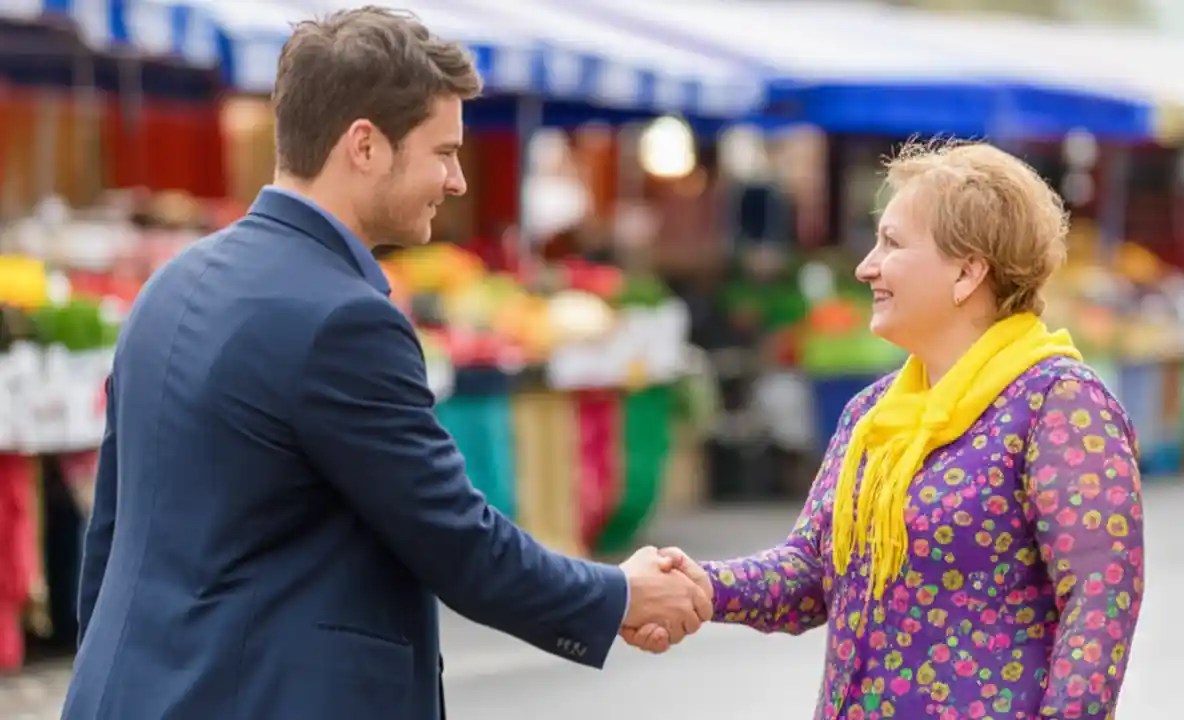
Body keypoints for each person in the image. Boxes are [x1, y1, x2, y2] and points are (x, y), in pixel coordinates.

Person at [63, 8, 709, 720]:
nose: (458, 181)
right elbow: (458, 542)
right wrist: (618, 595)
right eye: (443, 152)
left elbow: (112, 533)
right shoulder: (346, 320)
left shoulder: (171, 284)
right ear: (364, 146)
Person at [626, 140, 1145, 720]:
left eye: (892, 244)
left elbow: (1099, 604)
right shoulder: (873, 414)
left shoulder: (1060, 405)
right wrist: (701, 586)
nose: (865, 266)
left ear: (969, 270)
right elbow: (810, 573)